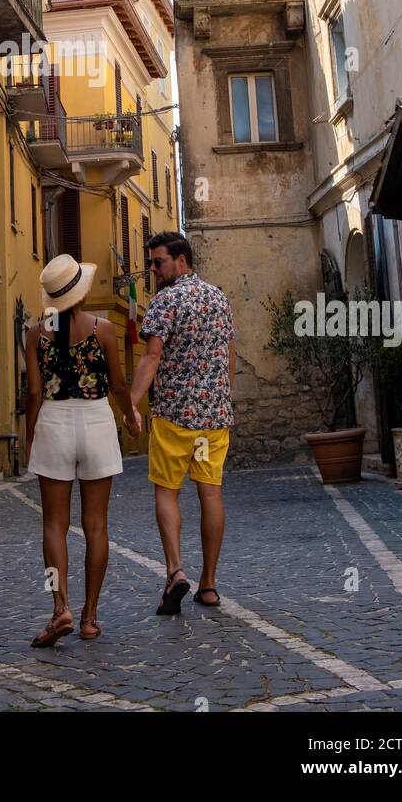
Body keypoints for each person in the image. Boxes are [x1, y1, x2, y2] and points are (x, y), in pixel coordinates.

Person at [25, 252, 140, 646]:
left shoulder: (35, 333)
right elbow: (120, 384)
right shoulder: (103, 329)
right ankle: (90, 617)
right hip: (95, 423)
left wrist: (31, 436)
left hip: (54, 424)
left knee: (54, 525)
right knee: (96, 525)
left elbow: (35, 393)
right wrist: (130, 415)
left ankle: (61, 608)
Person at [129, 231, 236, 615]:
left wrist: (131, 403)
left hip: (175, 416)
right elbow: (229, 353)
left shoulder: (165, 301)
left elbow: (151, 356)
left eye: (158, 262)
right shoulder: (219, 298)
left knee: (166, 491)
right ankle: (208, 585)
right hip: (213, 418)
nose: (154, 271)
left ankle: (175, 571)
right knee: (210, 493)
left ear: (181, 260)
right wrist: (223, 396)